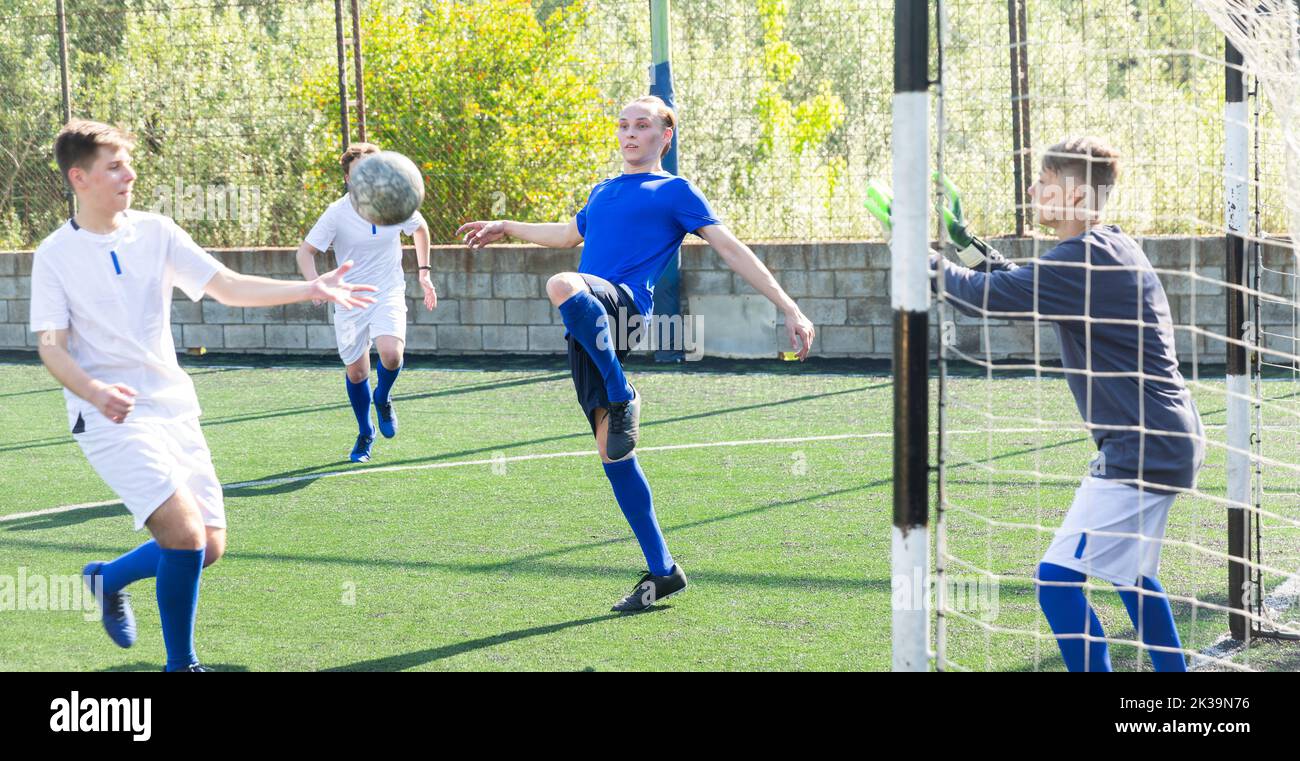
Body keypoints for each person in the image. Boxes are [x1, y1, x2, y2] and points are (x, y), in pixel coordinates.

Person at [30, 119, 376, 671]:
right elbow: (51, 346)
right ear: (79, 178)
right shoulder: (54, 255)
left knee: (208, 546)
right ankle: (182, 664)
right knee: (184, 536)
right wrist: (94, 391)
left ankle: (107, 577)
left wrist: (310, 287)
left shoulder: (157, 231)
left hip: (173, 404)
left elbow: (227, 285)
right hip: (109, 417)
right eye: (114, 166)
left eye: (128, 162)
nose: (130, 173)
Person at [457, 96, 816, 612]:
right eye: (623, 125)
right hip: (589, 322)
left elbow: (730, 247)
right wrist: (507, 227)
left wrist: (788, 306)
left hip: (623, 308)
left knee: (561, 283)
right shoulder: (602, 190)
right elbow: (568, 234)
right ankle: (663, 570)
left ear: (664, 136)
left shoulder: (675, 191)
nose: (629, 133)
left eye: (642, 126)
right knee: (614, 456)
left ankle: (624, 393)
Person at [871, 137, 1204, 671]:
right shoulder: (1106, 247)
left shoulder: (1083, 261)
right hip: (1164, 438)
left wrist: (909, 246)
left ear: (1074, 196)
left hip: (1141, 446)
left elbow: (984, 297)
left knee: (1055, 582)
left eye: (1044, 182)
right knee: (1130, 577)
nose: (1032, 190)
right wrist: (964, 243)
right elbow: (1019, 282)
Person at [296, 142, 436, 463]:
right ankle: (365, 432)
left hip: (387, 291)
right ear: (347, 178)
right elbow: (305, 252)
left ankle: (383, 397)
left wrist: (424, 273)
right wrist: (315, 283)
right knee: (357, 373)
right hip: (349, 298)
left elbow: (421, 229)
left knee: (390, 353)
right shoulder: (336, 213)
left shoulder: (395, 204)